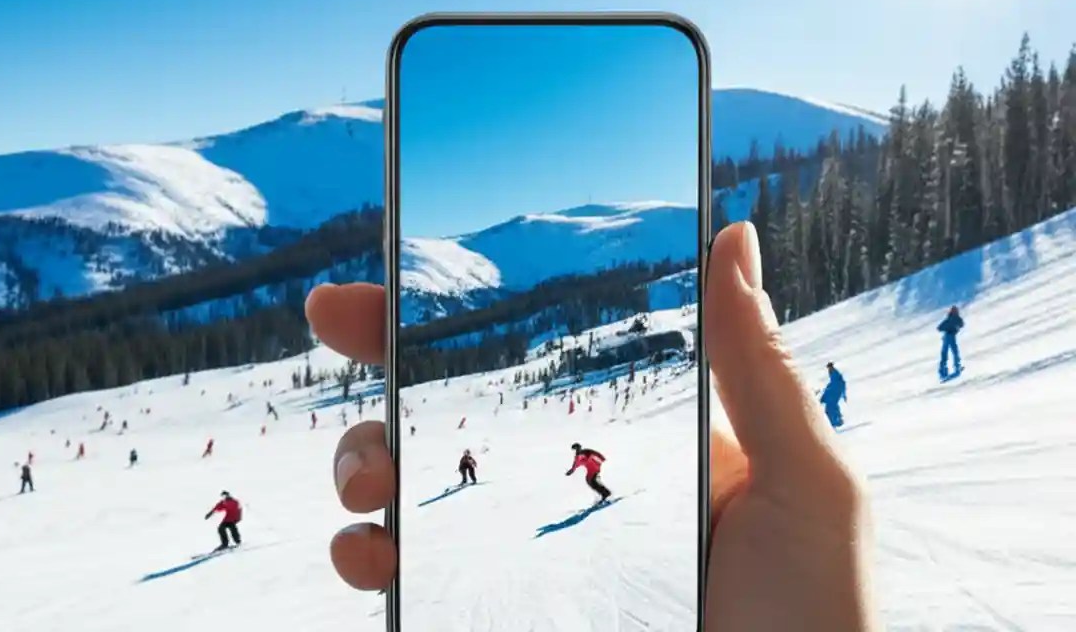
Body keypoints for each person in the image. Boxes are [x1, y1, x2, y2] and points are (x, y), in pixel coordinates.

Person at [309, 222, 880, 631]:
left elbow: (590, 459)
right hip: (594, 476)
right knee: (581, 485)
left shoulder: (592, 456)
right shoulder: (581, 454)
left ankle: (601, 496)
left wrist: (586, 468)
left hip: (605, 478)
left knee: (594, 486)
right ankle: (586, 494)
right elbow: (581, 459)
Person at [938, 305, 964, 378]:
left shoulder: (952, 318)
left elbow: (961, 324)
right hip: (949, 336)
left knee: (947, 353)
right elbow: (940, 327)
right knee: (951, 352)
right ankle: (948, 369)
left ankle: (944, 370)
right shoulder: (952, 319)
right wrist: (953, 328)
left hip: (948, 336)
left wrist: (953, 328)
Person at [821, 363, 847, 429]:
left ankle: (836, 422)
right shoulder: (835, 379)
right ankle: (835, 422)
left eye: (830, 369)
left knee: (831, 408)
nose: (829, 371)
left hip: (833, 396)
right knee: (831, 408)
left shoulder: (836, 377)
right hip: (832, 396)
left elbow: (838, 386)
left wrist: (844, 395)